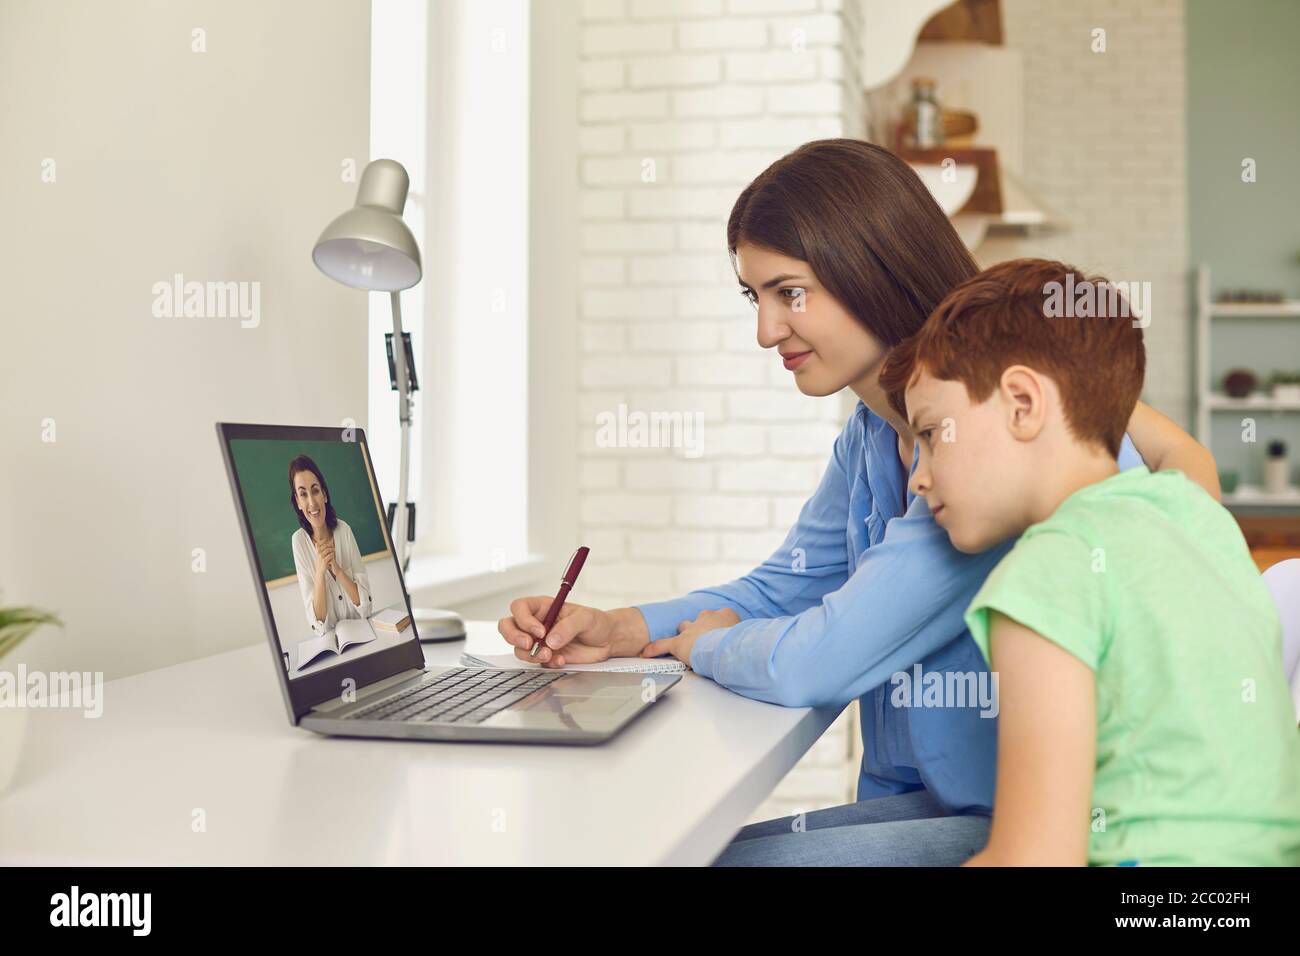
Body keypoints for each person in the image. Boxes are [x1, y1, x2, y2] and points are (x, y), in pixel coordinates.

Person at [498, 140, 1221, 866]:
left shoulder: (991, 459)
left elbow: (819, 660)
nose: (765, 331)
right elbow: (788, 585)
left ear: (871, 265)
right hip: (950, 802)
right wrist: (623, 630)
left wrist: (706, 644)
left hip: (1048, 831)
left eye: (790, 293)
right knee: (686, 851)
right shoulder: (873, 435)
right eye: (756, 298)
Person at [880, 257, 1300, 865]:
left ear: (1022, 403)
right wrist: (1090, 379)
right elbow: (1182, 452)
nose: (918, 477)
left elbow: (1036, 859)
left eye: (929, 435)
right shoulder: (1194, 516)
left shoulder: (1047, 572)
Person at [288, 454, 372, 637]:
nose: (312, 502)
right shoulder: (299, 542)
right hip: (331, 649)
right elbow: (318, 624)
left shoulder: (344, 530)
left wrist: (337, 570)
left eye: (315, 490)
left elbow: (366, 606)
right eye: (303, 494)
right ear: (298, 503)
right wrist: (320, 571)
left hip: (363, 637)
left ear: (324, 494)